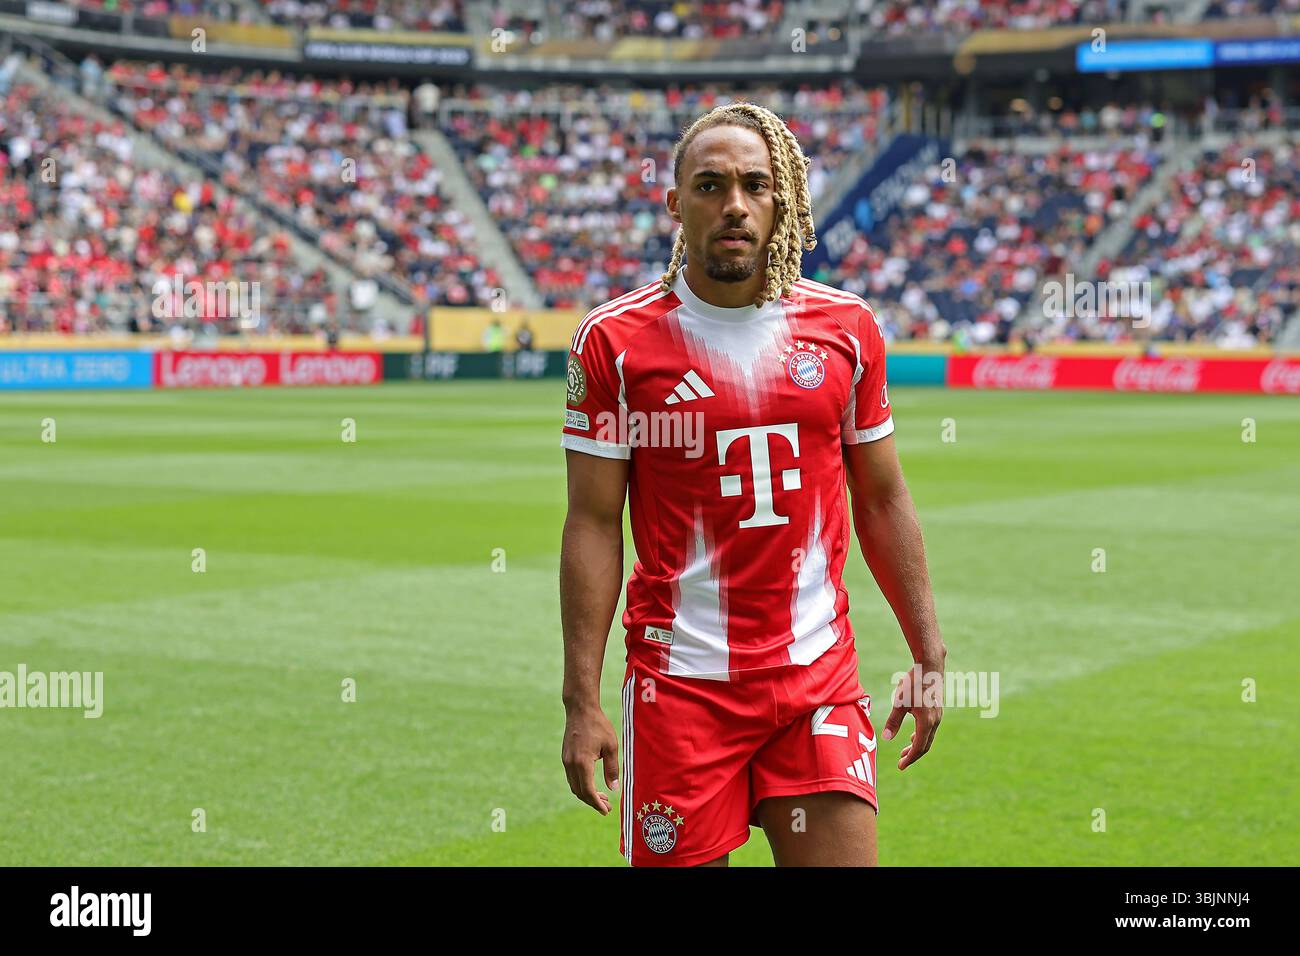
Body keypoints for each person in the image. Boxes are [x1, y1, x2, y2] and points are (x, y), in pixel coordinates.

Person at [559, 102, 946, 867]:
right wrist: (581, 699)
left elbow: (881, 498)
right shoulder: (616, 343)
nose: (734, 204)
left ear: (783, 200)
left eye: (755, 185)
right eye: (710, 185)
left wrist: (929, 653)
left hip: (816, 681)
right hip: (681, 690)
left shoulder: (847, 329)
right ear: (676, 204)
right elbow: (594, 523)